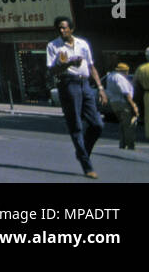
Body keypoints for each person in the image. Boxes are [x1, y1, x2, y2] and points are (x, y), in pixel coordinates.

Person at [46, 16, 107, 178]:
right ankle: (87, 166)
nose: (62, 30)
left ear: (71, 29)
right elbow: (52, 71)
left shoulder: (83, 44)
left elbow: (91, 66)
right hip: (68, 84)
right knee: (76, 126)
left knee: (97, 124)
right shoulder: (53, 46)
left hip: (85, 84)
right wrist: (68, 64)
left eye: (64, 28)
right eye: (59, 28)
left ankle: (83, 152)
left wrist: (100, 88)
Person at [104, 62, 138, 150]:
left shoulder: (111, 76)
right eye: (127, 71)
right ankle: (130, 145)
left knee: (122, 124)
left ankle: (122, 143)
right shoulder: (120, 78)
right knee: (129, 124)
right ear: (123, 71)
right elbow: (126, 93)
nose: (127, 73)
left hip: (114, 102)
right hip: (123, 102)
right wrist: (133, 106)